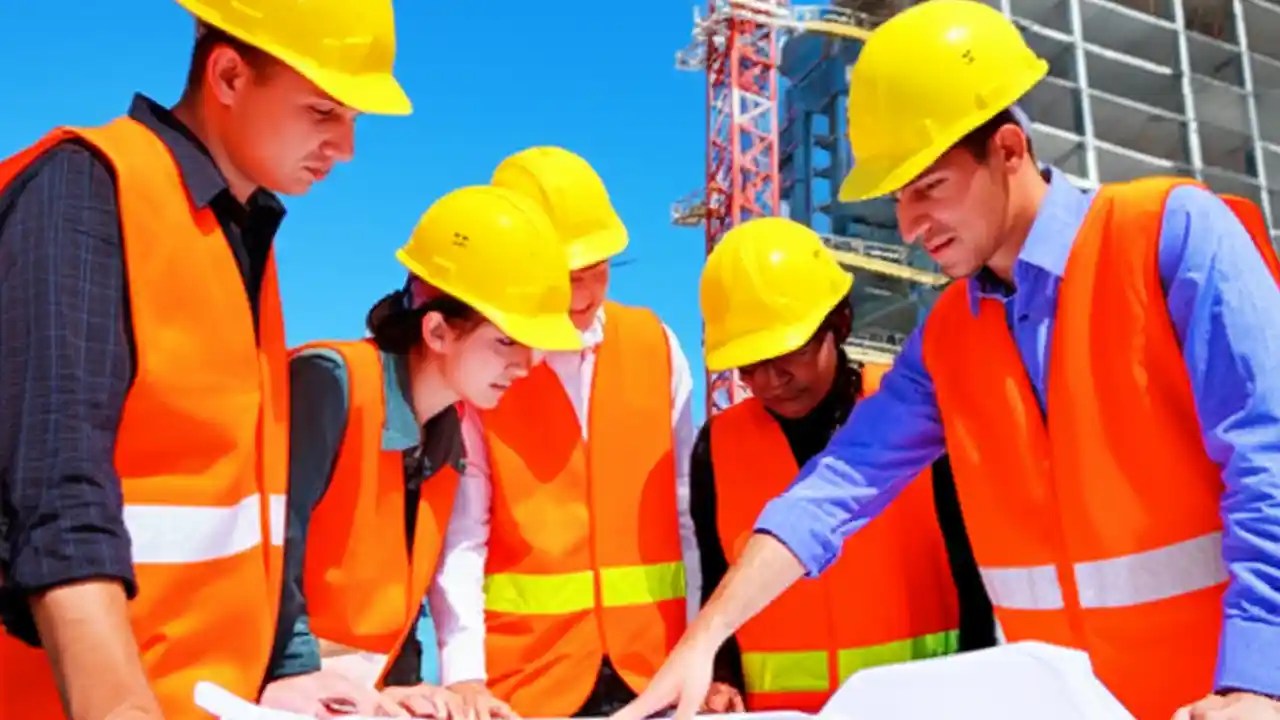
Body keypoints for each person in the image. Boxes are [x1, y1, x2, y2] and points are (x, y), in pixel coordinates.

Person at [609, 2, 1280, 720]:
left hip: (1224, 700)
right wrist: (703, 638)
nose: (908, 225)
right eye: (899, 196)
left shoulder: (1173, 237)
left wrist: (1259, 683)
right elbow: (838, 486)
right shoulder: (948, 338)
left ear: (1010, 151)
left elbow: (1267, 458)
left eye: (929, 188)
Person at [0, 1, 410, 717]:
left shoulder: (237, 235)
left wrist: (281, 676)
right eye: (322, 111)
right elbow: (56, 493)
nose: (345, 147)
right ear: (227, 74)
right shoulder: (87, 190)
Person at [257, 185, 581, 717]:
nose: (526, 366)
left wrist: (407, 692)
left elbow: (391, 600)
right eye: (506, 342)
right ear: (436, 330)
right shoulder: (329, 383)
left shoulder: (447, 431)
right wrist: (300, 672)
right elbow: (267, 556)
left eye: (533, 345)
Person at [429, 146, 700, 717]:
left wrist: (701, 647)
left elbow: (687, 512)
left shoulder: (656, 347)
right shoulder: (483, 370)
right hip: (527, 687)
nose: (584, 294)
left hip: (656, 673)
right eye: (564, 275)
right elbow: (462, 536)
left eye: (597, 269)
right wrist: (463, 674)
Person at [692, 216, 994, 713]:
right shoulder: (719, 446)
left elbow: (975, 575)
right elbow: (716, 584)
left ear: (842, 324)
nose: (770, 380)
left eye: (789, 352)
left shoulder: (914, 418)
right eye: (748, 364)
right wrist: (720, 677)